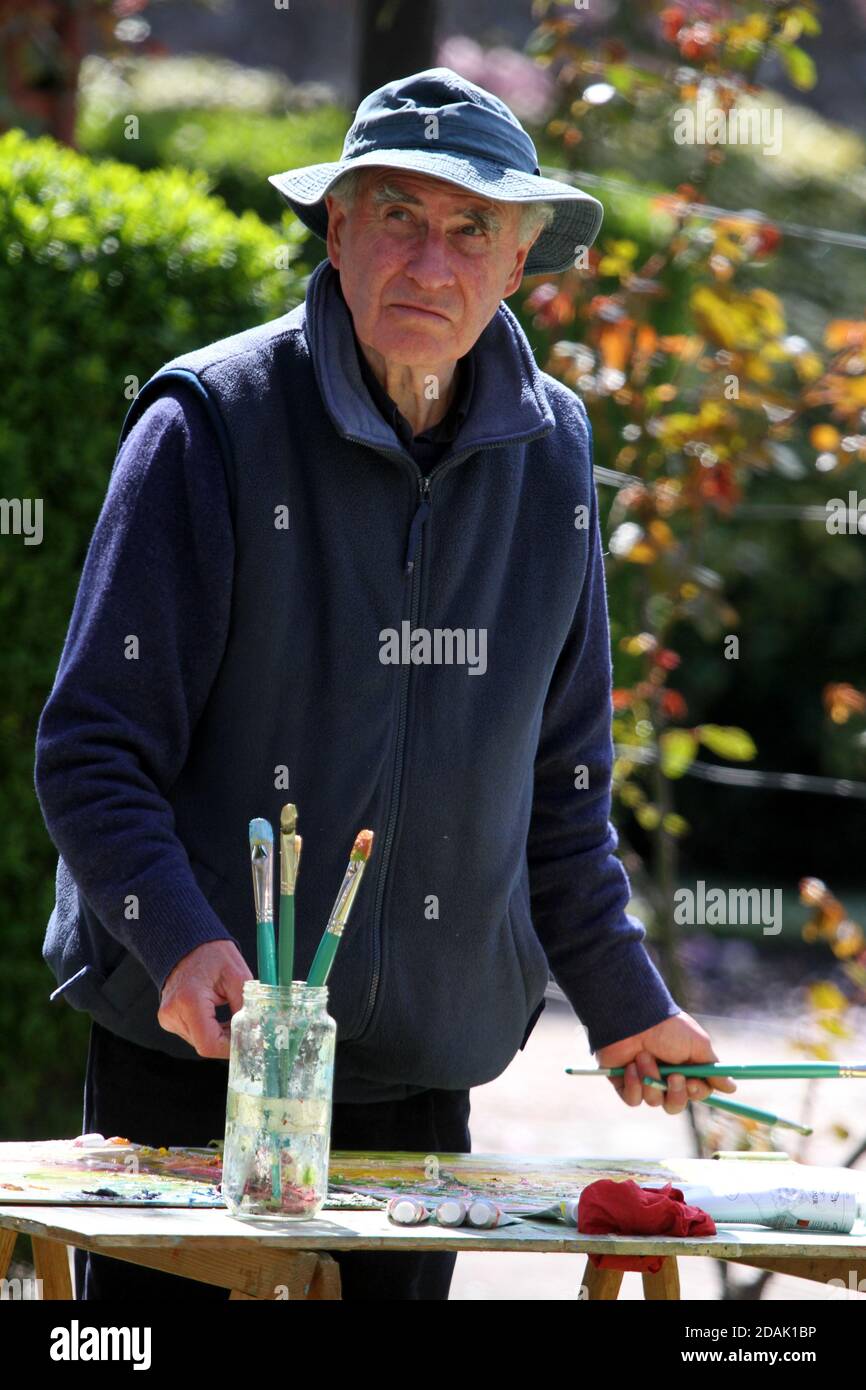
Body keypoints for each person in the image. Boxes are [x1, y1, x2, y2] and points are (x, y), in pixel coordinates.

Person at [34, 67, 735, 1302]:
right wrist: (184, 943)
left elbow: (560, 790)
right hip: (198, 1064)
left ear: (518, 260)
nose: (431, 262)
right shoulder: (207, 426)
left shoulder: (555, 453)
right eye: (396, 217)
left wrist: (624, 1003)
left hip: (421, 1076)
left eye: (471, 228)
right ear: (336, 228)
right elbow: (92, 749)